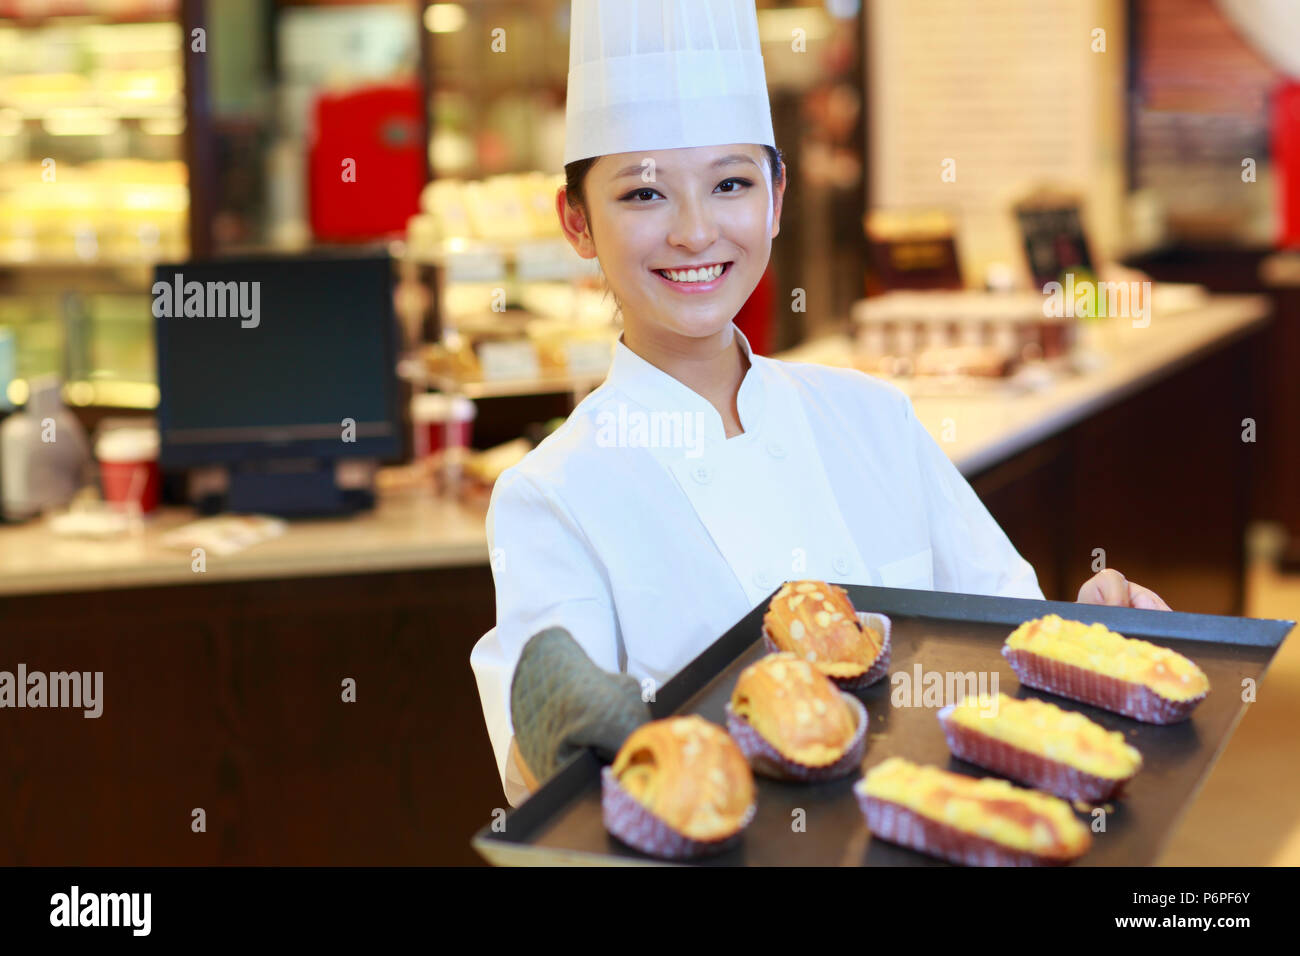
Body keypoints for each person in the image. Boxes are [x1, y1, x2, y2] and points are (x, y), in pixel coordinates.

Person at [470, 0, 1169, 806]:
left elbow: (1006, 638)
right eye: (644, 196)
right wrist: (559, 747)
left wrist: (1091, 638)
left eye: (730, 183)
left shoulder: (873, 415)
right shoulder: (552, 494)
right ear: (577, 223)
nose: (696, 232)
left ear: (775, 196)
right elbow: (554, 788)